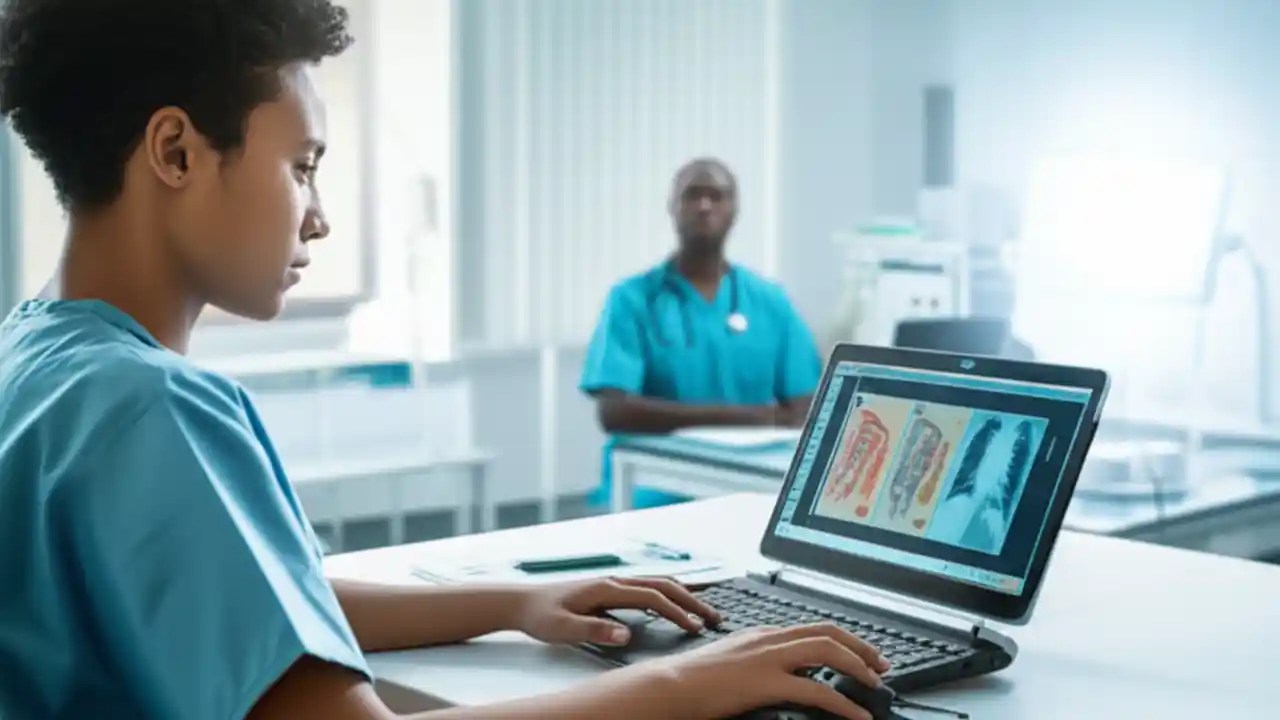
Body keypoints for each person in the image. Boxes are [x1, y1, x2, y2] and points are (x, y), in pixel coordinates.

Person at [0, 2, 887, 719]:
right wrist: (682, 686)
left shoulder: (39, 357)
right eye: (303, 166)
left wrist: (511, 602)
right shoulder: (154, 410)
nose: (317, 216)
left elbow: (260, 601)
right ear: (176, 152)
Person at [581, 158, 823, 507]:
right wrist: (752, 417)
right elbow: (615, 412)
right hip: (652, 486)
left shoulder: (770, 301)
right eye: (692, 195)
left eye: (717, 196)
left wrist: (762, 419)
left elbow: (802, 407)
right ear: (673, 207)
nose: (704, 206)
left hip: (747, 484)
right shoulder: (632, 299)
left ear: (735, 210)